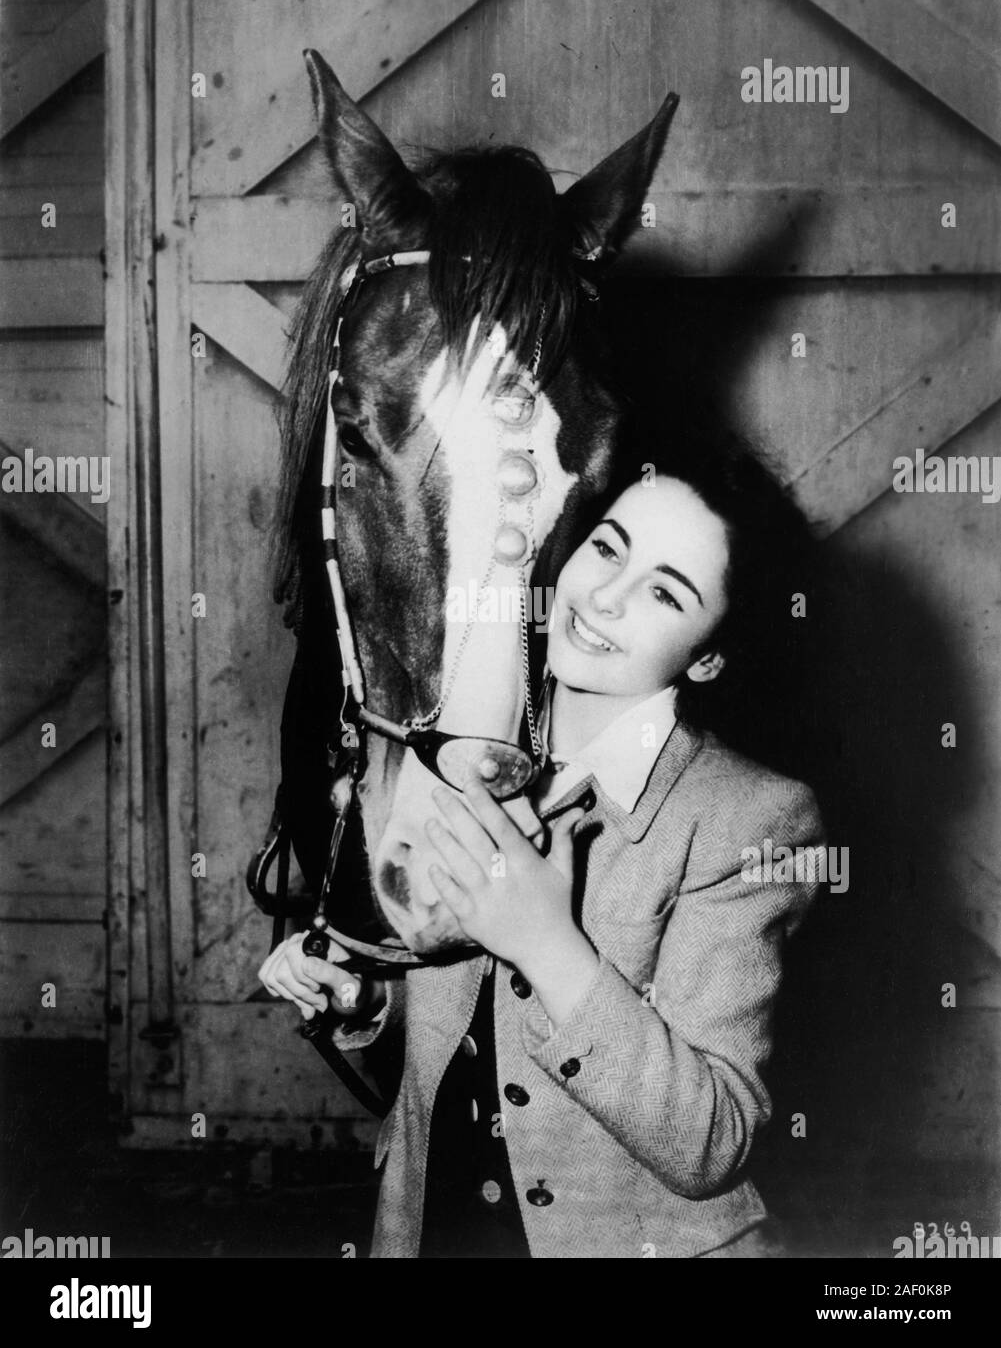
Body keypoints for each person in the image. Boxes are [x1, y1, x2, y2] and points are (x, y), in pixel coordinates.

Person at [259, 426, 825, 1259]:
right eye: (606, 549)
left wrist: (546, 944)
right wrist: (366, 1001)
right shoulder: (462, 747)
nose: (601, 598)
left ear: (707, 661)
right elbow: (448, 1029)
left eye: (665, 595)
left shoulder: (749, 820)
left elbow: (712, 1141)